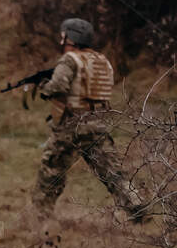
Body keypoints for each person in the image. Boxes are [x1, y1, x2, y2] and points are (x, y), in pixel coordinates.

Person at [33, 17, 147, 221]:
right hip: (97, 122)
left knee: (51, 169)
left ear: (70, 38)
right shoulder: (102, 60)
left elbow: (58, 85)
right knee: (111, 170)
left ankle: (41, 214)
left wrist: (43, 87)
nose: (62, 40)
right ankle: (136, 208)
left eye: (64, 36)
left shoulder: (70, 59)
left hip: (71, 124)